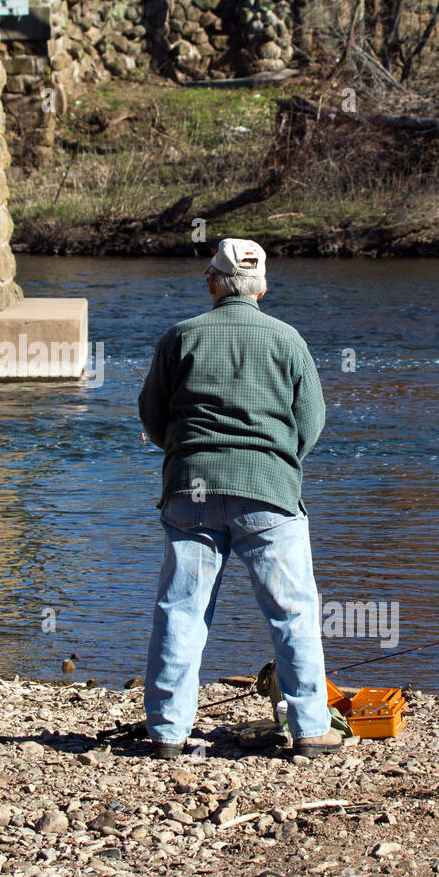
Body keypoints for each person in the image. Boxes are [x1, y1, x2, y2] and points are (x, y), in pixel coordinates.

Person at [137, 237, 340, 759]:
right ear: (263, 286)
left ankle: (166, 733)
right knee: (293, 613)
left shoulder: (180, 338)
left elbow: (153, 418)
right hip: (268, 491)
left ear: (212, 282)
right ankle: (311, 729)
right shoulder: (288, 339)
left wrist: (186, 453)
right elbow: (311, 422)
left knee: (180, 610)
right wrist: (278, 462)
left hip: (191, 490)